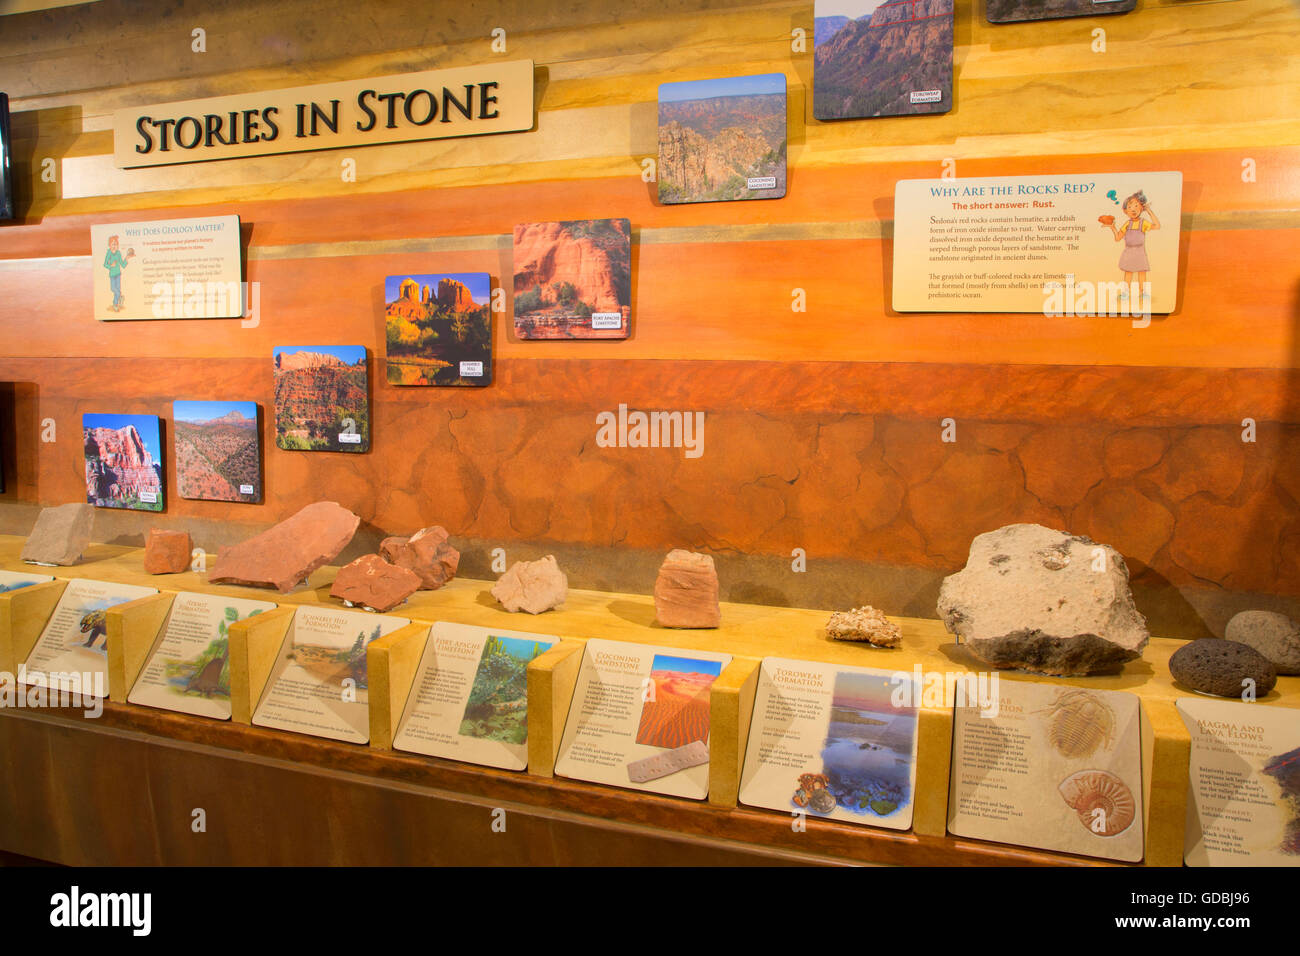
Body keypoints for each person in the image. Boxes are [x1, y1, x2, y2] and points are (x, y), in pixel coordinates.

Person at [1102, 191, 1159, 299]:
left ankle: (1143, 292)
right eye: (1130, 207)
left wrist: (1149, 210)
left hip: (1140, 252)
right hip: (1128, 252)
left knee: (1142, 272)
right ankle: (1125, 293)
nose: (1133, 209)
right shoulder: (1127, 224)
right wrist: (1113, 228)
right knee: (1128, 272)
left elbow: (1157, 226)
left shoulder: (1143, 223)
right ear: (1125, 211)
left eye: (1136, 206)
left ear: (1141, 208)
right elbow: (1118, 238)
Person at [102, 235, 135, 312]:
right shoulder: (109, 253)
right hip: (112, 275)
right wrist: (111, 265)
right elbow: (105, 264)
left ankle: (115, 304)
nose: (114, 246)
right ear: (109, 245)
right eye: (113, 244)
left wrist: (127, 258)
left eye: (116, 244)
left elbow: (123, 265)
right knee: (113, 289)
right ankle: (120, 297)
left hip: (118, 274)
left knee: (118, 290)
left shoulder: (118, 253)